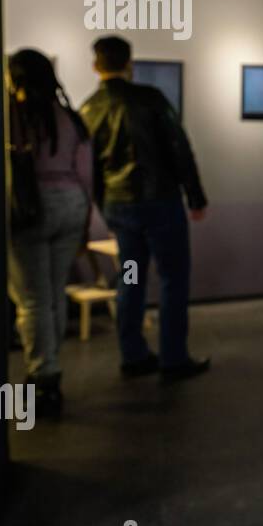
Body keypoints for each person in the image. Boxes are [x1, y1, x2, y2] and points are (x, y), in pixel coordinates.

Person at [79, 35, 210, 381]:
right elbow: (179, 148)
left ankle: (133, 355)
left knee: (130, 278)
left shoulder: (88, 109)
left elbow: (87, 167)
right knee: (172, 279)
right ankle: (173, 358)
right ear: (129, 63)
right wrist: (195, 196)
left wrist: (99, 207)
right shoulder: (150, 99)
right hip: (161, 202)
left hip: (118, 207)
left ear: (95, 66)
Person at [6, 50, 93, 417]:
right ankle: (49, 369)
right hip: (72, 204)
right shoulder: (69, 117)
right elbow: (87, 173)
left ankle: (42, 375)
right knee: (54, 293)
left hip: (30, 209)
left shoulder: (12, 116)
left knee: (32, 298)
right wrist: (86, 217)